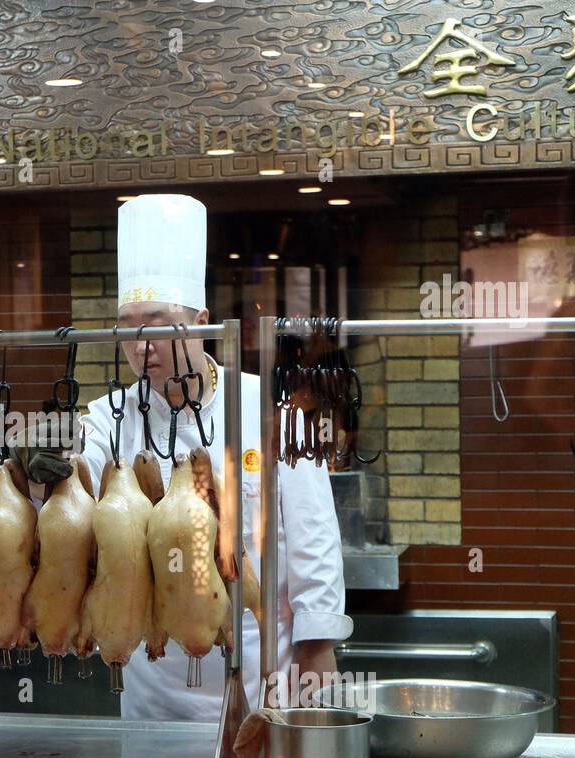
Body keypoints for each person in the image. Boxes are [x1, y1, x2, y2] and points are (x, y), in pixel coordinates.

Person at [28, 194, 352, 719]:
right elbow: (66, 500)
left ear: (201, 321)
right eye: (128, 327)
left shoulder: (274, 412)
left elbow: (314, 535)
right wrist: (41, 467)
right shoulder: (107, 418)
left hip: (257, 660)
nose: (142, 346)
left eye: (157, 324)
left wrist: (318, 643)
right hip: (152, 672)